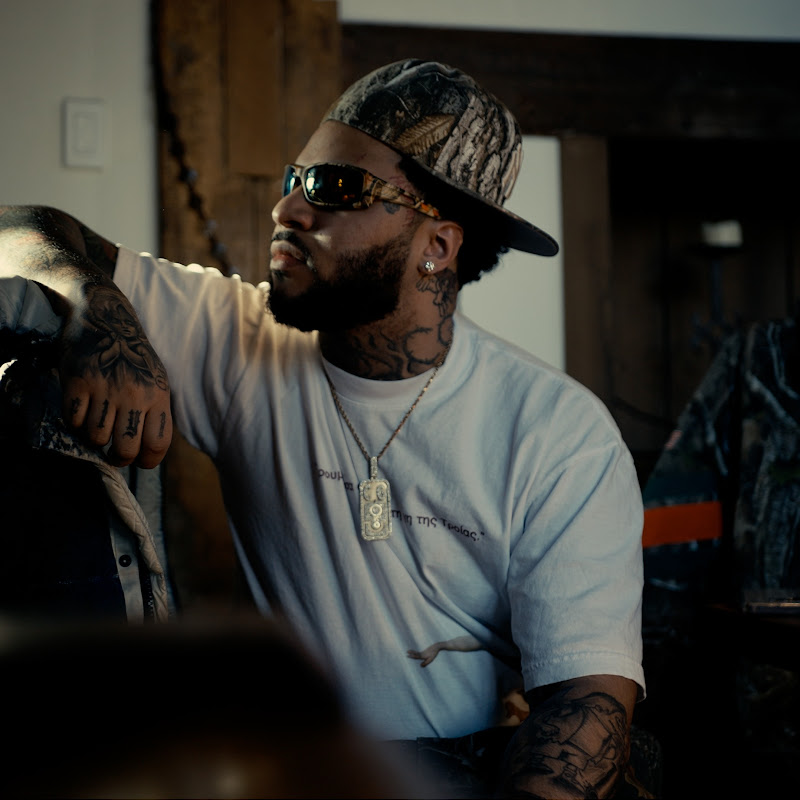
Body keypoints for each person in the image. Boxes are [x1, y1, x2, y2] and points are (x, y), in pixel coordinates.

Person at [0, 60, 646, 797]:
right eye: (295, 178)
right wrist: (98, 305)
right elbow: (18, 227)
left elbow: (586, 702)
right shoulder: (240, 340)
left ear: (438, 247)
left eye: (336, 188)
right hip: (283, 770)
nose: (287, 209)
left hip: (469, 773)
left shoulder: (557, 433)